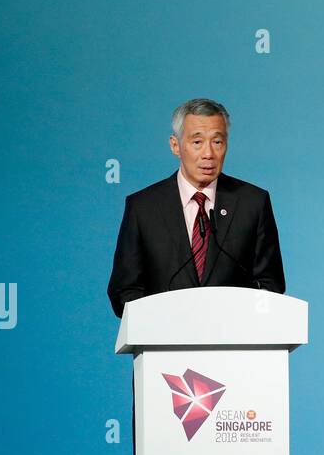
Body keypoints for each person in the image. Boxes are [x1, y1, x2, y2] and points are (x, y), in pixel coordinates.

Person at [107, 98, 286, 318]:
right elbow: (123, 291)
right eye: (197, 142)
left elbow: (271, 284)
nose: (208, 154)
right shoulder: (143, 207)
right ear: (175, 145)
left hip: (234, 342)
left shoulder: (253, 202)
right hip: (165, 344)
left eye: (217, 142)